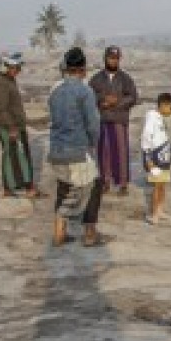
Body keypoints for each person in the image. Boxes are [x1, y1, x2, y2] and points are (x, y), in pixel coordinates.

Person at [48, 48, 108, 247]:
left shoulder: (55, 91)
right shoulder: (85, 91)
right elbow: (93, 124)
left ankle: (59, 232)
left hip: (56, 150)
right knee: (94, 186)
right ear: (83, 69)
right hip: (77, 149)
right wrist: (93, 143)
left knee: (64, 187)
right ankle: (90, 233)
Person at [88, 46, 140, 196]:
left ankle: (123, 184)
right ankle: (105, 181)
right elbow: (89, 96)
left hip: (119, 120)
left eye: (116, 59)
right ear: (105, 58)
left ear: (119, 60)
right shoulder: (96, 79)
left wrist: (117, 102)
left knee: (121, 152)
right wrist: (102, 100)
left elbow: (133, 97)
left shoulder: (125, 78)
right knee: (103, 152)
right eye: (111, 58)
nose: (113, 61)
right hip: (102, 119)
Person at [0, 51, 39, 199]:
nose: (18, 70)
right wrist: (11, 127)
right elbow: (1, 110)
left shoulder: (9, 81)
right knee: (11, 157)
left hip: (16, 126)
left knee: (20, 156)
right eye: (14, 67)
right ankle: (11, 190)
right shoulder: (0, 84)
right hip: (9, 128)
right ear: (3, 67)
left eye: (18, 67)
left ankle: (27, 187)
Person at [141, 92, 171, 225]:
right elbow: (146, 138)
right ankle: (154, 214)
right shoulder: (152, 118)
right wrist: (148, 159)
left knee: (162, 185)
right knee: (157, 186)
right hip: (155, 158)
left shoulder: (160, 118)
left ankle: (160, 210)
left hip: (164, 157)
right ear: (163, 105)